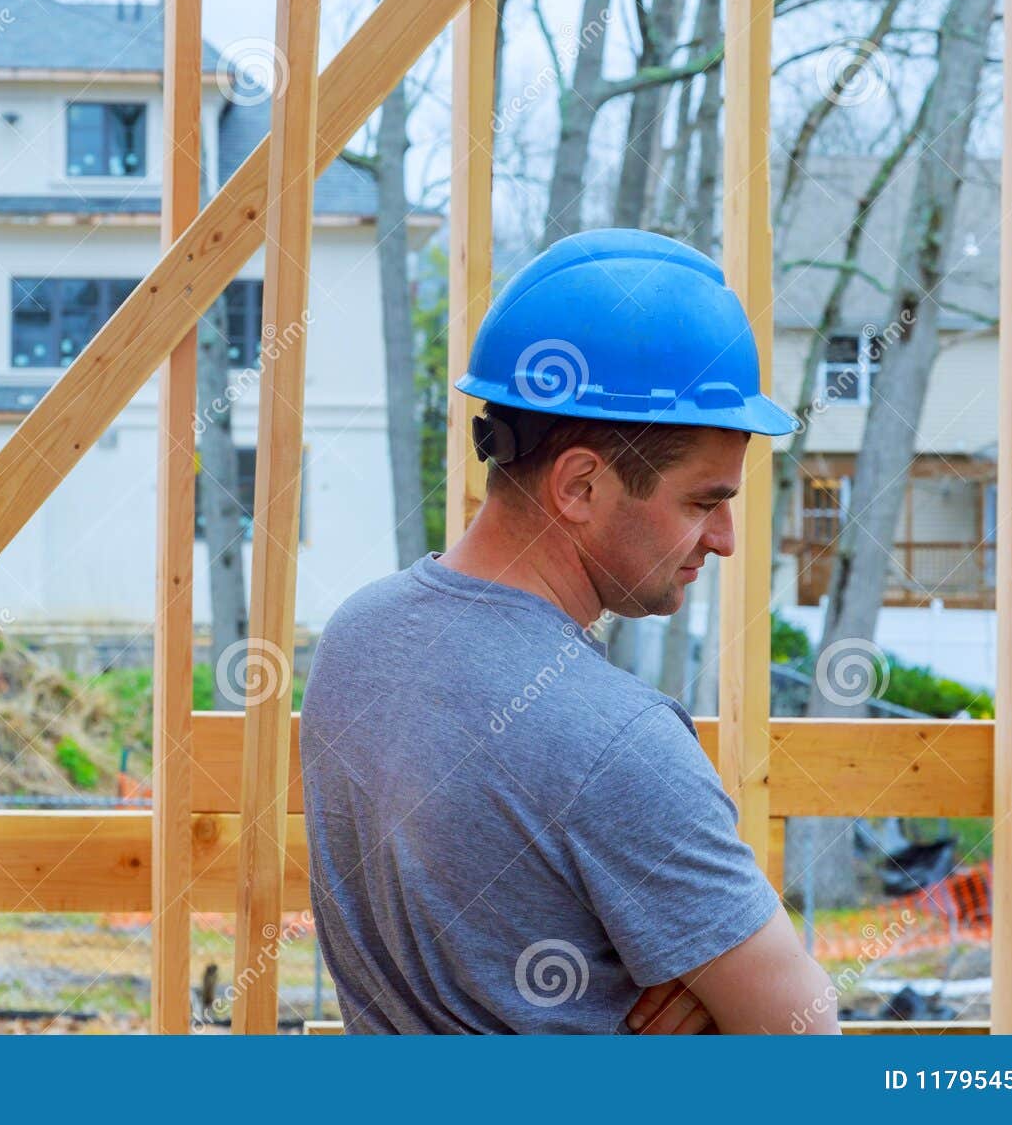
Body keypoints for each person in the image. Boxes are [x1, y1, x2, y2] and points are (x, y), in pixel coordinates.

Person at [298, 228, 840, 1034]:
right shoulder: (618, 742)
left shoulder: (355, 639)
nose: (726, 537)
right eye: (702, 501)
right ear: (581, 484)